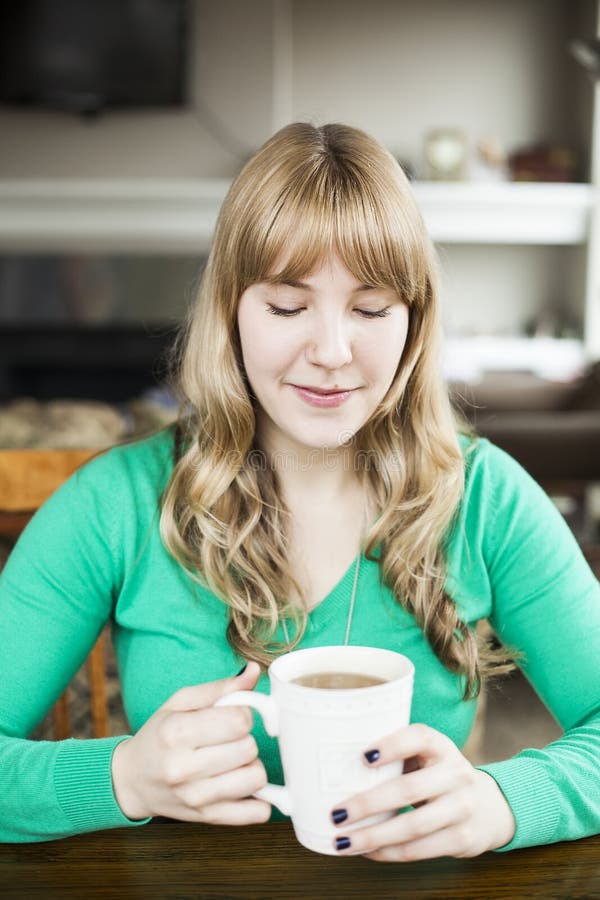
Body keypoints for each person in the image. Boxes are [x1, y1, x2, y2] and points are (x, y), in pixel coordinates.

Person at [1, 122, 599, 858]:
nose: (333, 352)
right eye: (287, 306)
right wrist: (121, 777)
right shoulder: (114, 503)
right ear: (231, 312)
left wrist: (505, 801)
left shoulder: (486, 498)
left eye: (371, 309)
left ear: (413, 324)